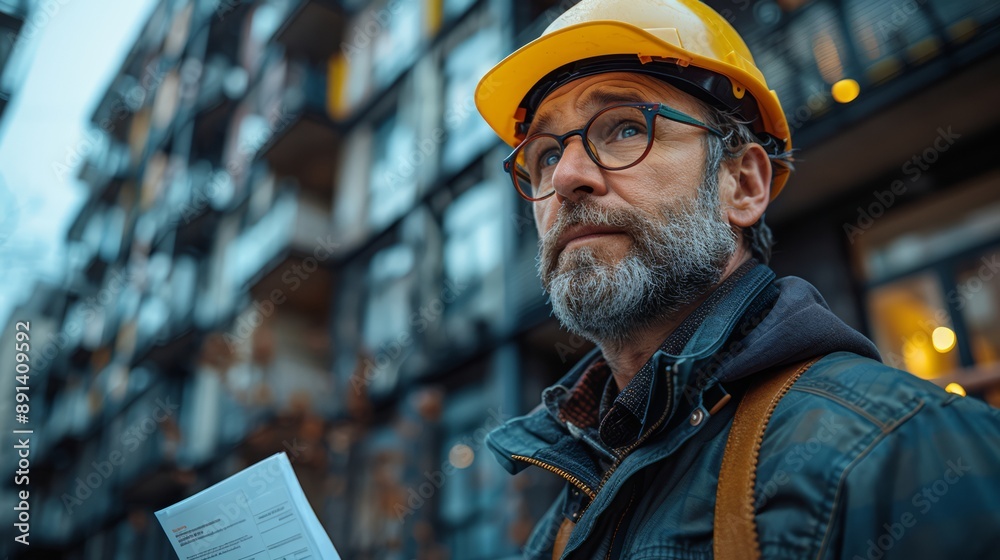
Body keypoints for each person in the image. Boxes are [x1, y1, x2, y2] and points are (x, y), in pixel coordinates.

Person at [473, 1, 1000, 558]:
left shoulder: (901, 447)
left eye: (625, 127)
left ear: (743, 185)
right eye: (545, 155)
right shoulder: (563, 516)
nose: (565, 177)